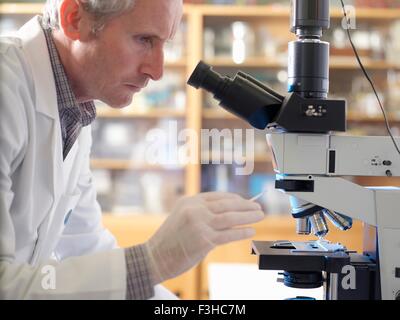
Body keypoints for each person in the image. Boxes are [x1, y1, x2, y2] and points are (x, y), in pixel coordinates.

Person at [0, 0, 265, 299]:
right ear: (75, 19)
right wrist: (153, 260)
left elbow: (85, 249)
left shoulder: (74, 110)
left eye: (163, 44)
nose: (158, 71)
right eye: (144, 40)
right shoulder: (6, 87)